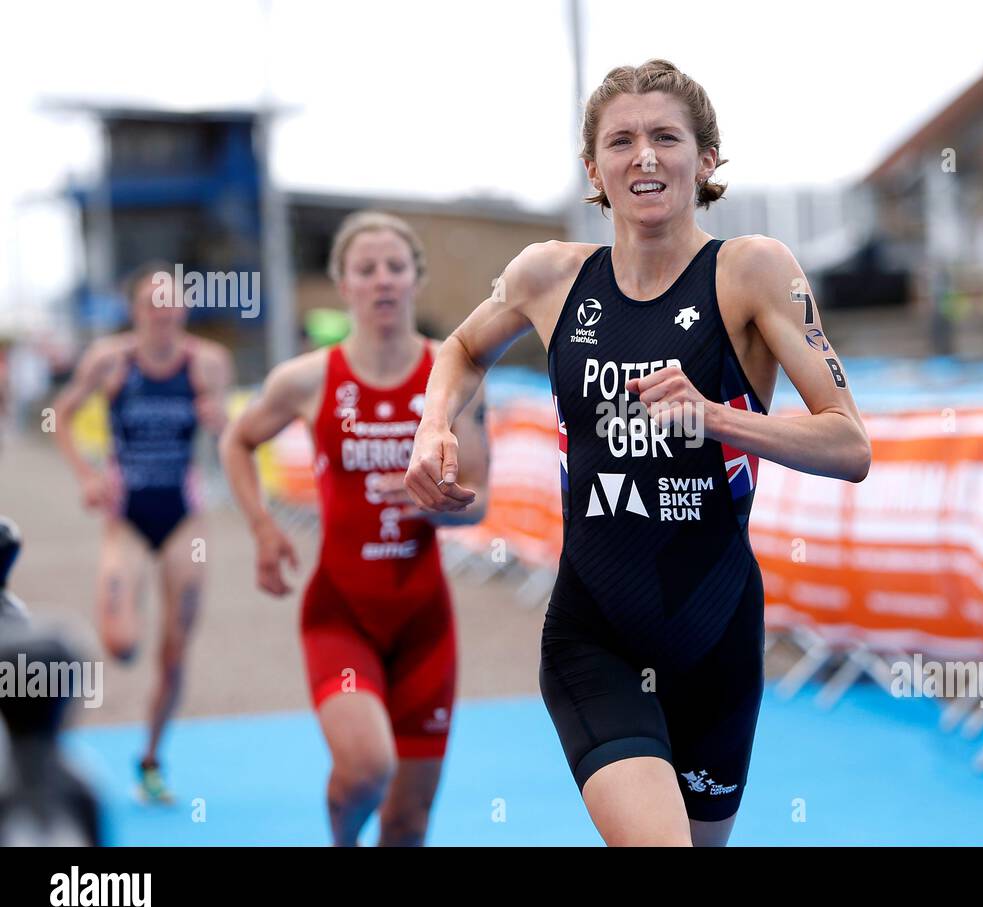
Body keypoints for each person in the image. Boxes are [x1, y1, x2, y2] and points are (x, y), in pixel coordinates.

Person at [406, 59, 871, 846]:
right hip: (595, 635)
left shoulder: (753, 272)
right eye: (622, 141)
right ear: (594, 168)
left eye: (666, 137)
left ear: (707, 160)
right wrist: (434, 425)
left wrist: (719, 420)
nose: (645, 157)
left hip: (716, 632)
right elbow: (460, 348)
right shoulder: (549, 276)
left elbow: (849, 444)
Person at [220, 212, 488, 846]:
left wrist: (440, 503)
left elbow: (481, 502)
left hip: (424, 623)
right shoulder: (308, 379)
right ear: (343, 284)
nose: (382, 280)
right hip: (341, 614)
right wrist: (262, 528)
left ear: (416, 279)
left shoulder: (456, 380)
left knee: (408, 820)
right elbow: (237, 440)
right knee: (368, 768)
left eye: (395, 267)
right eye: (365, 269)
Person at [51, 263, 232, 803]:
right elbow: (59, 414)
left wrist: (219, 420)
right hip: (127, 519)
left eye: (172, 302)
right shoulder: (110, 361)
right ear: (135, 311)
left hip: (184, 520)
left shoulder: (208, 362)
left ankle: (151, 761)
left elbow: (230, 435)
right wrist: (87, 477)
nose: (163, 312)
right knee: (123, 644)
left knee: (174, 653)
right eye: (152, 303)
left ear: (184, 308)